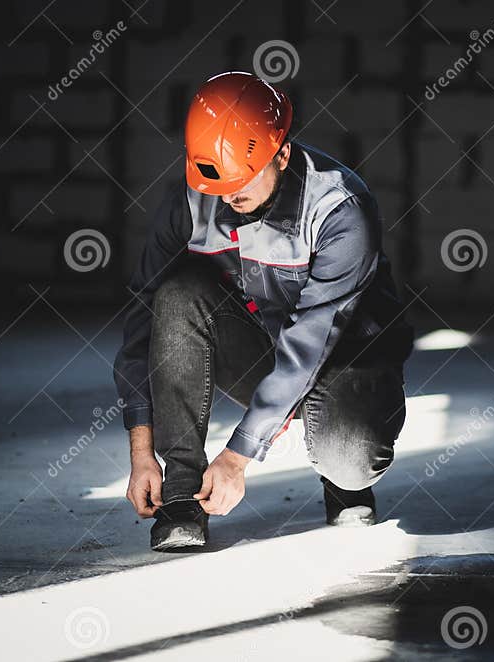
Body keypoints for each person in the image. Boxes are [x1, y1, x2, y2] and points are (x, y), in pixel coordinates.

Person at [112, 71, 415, 550]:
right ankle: (181, 492)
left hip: (345, 359)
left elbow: (311, 346)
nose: (229, 195)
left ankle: (340, 475)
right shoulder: (192, 202)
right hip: (260, 349)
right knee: (175, 294)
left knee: (350, 458)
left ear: (283, 153)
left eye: (243, 179)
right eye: (219, 182)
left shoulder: (340, 208)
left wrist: (238, 456)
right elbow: (140, 322)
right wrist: (141, 448)